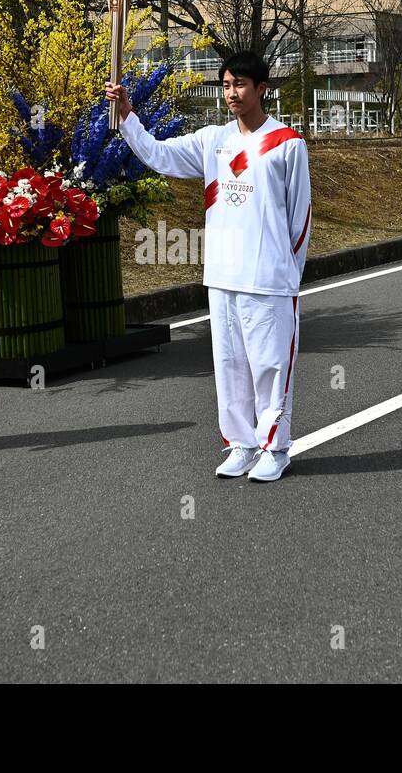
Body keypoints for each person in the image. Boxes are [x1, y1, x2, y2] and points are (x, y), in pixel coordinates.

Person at [106, 52, 310, 483]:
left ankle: (275, 448)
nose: (232, 93)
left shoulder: (288, 143)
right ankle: (241, 443)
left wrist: (289, 274)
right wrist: (127, 117)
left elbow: (301, 217)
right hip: (222, 275)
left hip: (269, 278)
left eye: (240, 84)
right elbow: (158, 155)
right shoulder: (211, 141)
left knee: (270, 365)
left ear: (261, 90)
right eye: (226, 85)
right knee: (231, 364)